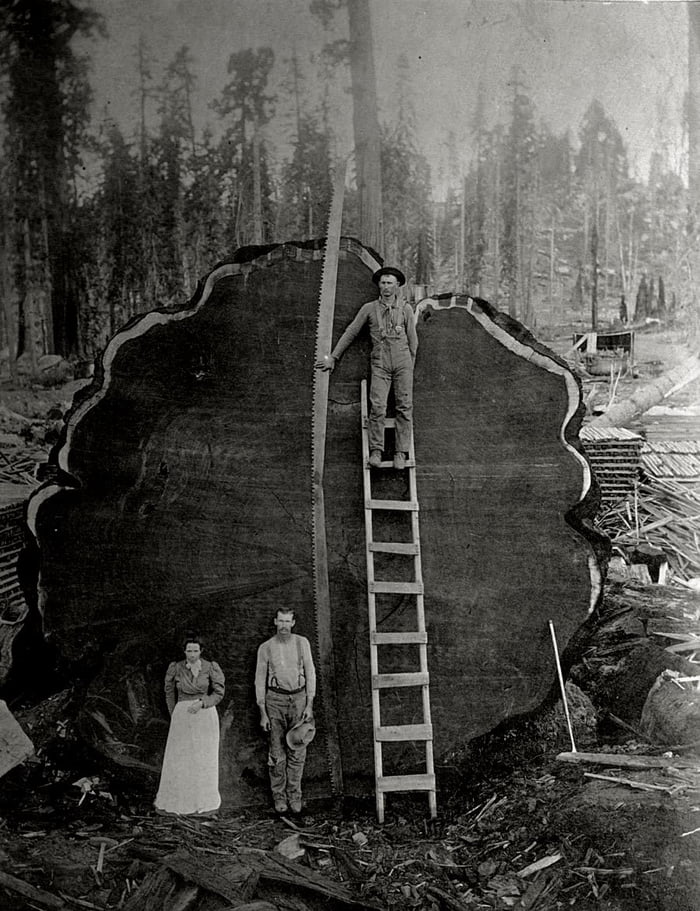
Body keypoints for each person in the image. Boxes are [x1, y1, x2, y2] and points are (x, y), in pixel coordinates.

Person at [316, 266, 418, 470]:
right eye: (383, 282)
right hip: (380, 364)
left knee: (404, 407)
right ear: (378, 285)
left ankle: (400, 452)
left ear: (397, 285)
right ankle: (376, 451)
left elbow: (414, 342)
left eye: (390, 282)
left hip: (403, 363)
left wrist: (409, 368)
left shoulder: (405, 309)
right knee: (378, 407)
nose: (386, 287)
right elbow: (351, 332)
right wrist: (333, 357)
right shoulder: (369, 308)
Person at [154, 633, 225, 816]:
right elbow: (169, 692)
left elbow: (219, 693)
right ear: (184, 651)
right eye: (188, 650)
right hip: (183, 716)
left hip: (205, 715)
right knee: (181, 758)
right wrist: (176, 714)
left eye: (195, 650)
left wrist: (203, 703)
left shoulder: (210, 667)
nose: (192, 654)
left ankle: (203, 801)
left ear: (201, 651)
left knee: (203, 758)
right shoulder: (176, 668)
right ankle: (180, 802)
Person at [255, 608, 316, 815]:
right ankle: (279, 797)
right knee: (276, 752)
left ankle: (295, 796)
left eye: (287, 621)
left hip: (299, 700)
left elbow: (310, 672)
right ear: (275, 622)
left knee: (297, 750)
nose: (283, 625)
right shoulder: (266, 647)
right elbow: (259, 678)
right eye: (280, 621)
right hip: (275, 701)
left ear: (293, 622)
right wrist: (262, 710)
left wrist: (309, 704)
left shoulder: (302, 643)